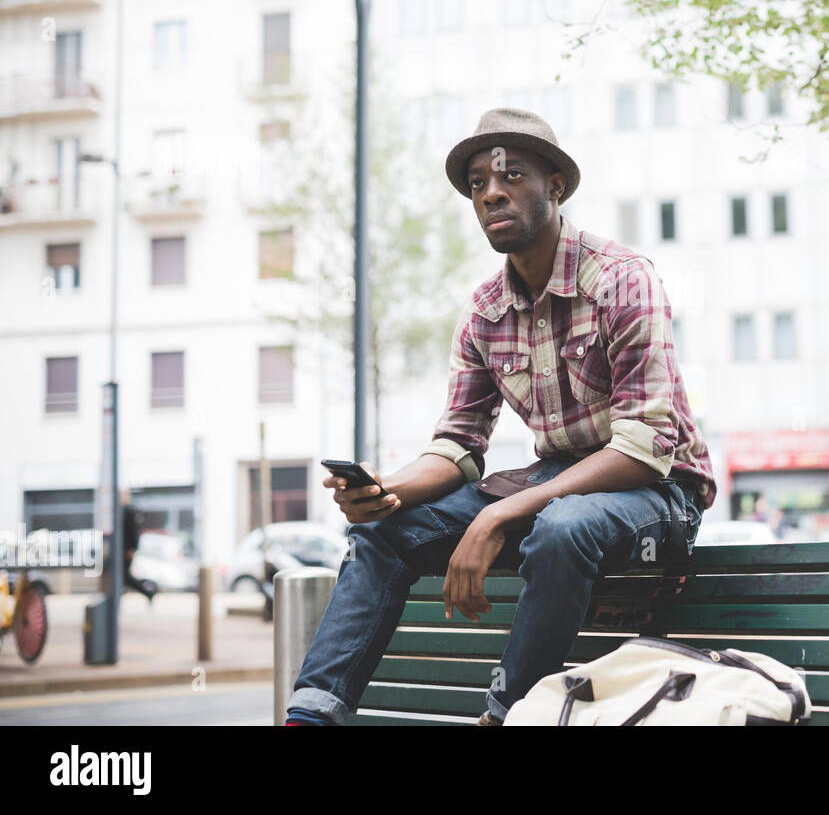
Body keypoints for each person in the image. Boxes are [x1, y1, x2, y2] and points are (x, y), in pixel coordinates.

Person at [285, 108, 716, 726]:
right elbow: (458, 445)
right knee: (383, 532)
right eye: (478, 184)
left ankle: (510, 715)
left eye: (512, 175)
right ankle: (311, 716)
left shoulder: (623, 280)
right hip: (559, 489)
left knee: (564, 525)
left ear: (555, 187)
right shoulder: (486, 311)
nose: (491, 192)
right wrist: (388, 491)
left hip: (659, 491)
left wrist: (501, 512)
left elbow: (644, 448)